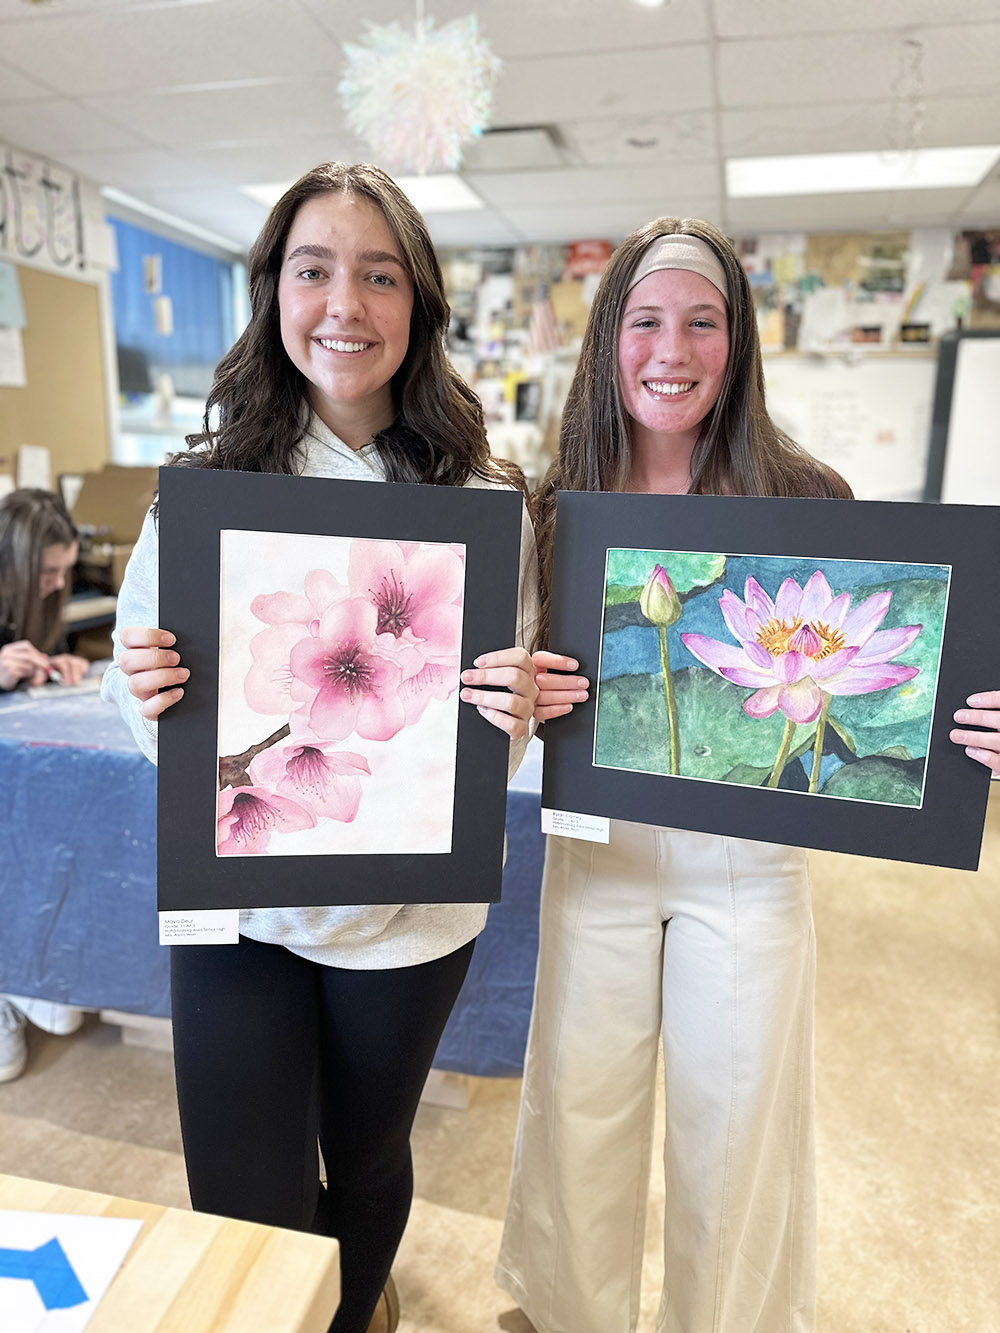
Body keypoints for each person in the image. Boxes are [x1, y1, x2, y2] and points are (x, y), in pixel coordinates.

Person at [496, 218, 1000, 1333]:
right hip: (595, 858)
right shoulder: (554, 499)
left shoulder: (805, 497)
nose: (670, 348)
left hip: (749, 870)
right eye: (644, 321)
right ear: (606, 341)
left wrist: (962, 723)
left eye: (701, 321)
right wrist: (520, 703)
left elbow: (890, 688)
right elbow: (504, 714)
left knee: (738, 1127)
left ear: (738, 343)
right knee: (579, 1110)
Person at [102, 162, 539, 1333]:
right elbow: (132, 694)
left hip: (405, 912)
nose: (344, 303)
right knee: (242, 1188)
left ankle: (352, 1308)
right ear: (273, 293)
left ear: (421, 304)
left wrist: (512, 711)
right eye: (314, 269)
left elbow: (491, 744)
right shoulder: (202, 490)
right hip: (237, 895)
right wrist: (146, 694)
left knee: (367, 1151)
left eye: (379, 274)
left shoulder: (485, 499)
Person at [0, 487, 88, 1084]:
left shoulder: (33, 606)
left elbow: (40, 655)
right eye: (49, 572)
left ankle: (31, 963)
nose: (58, 586)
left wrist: (62, 666)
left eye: (66, 572)